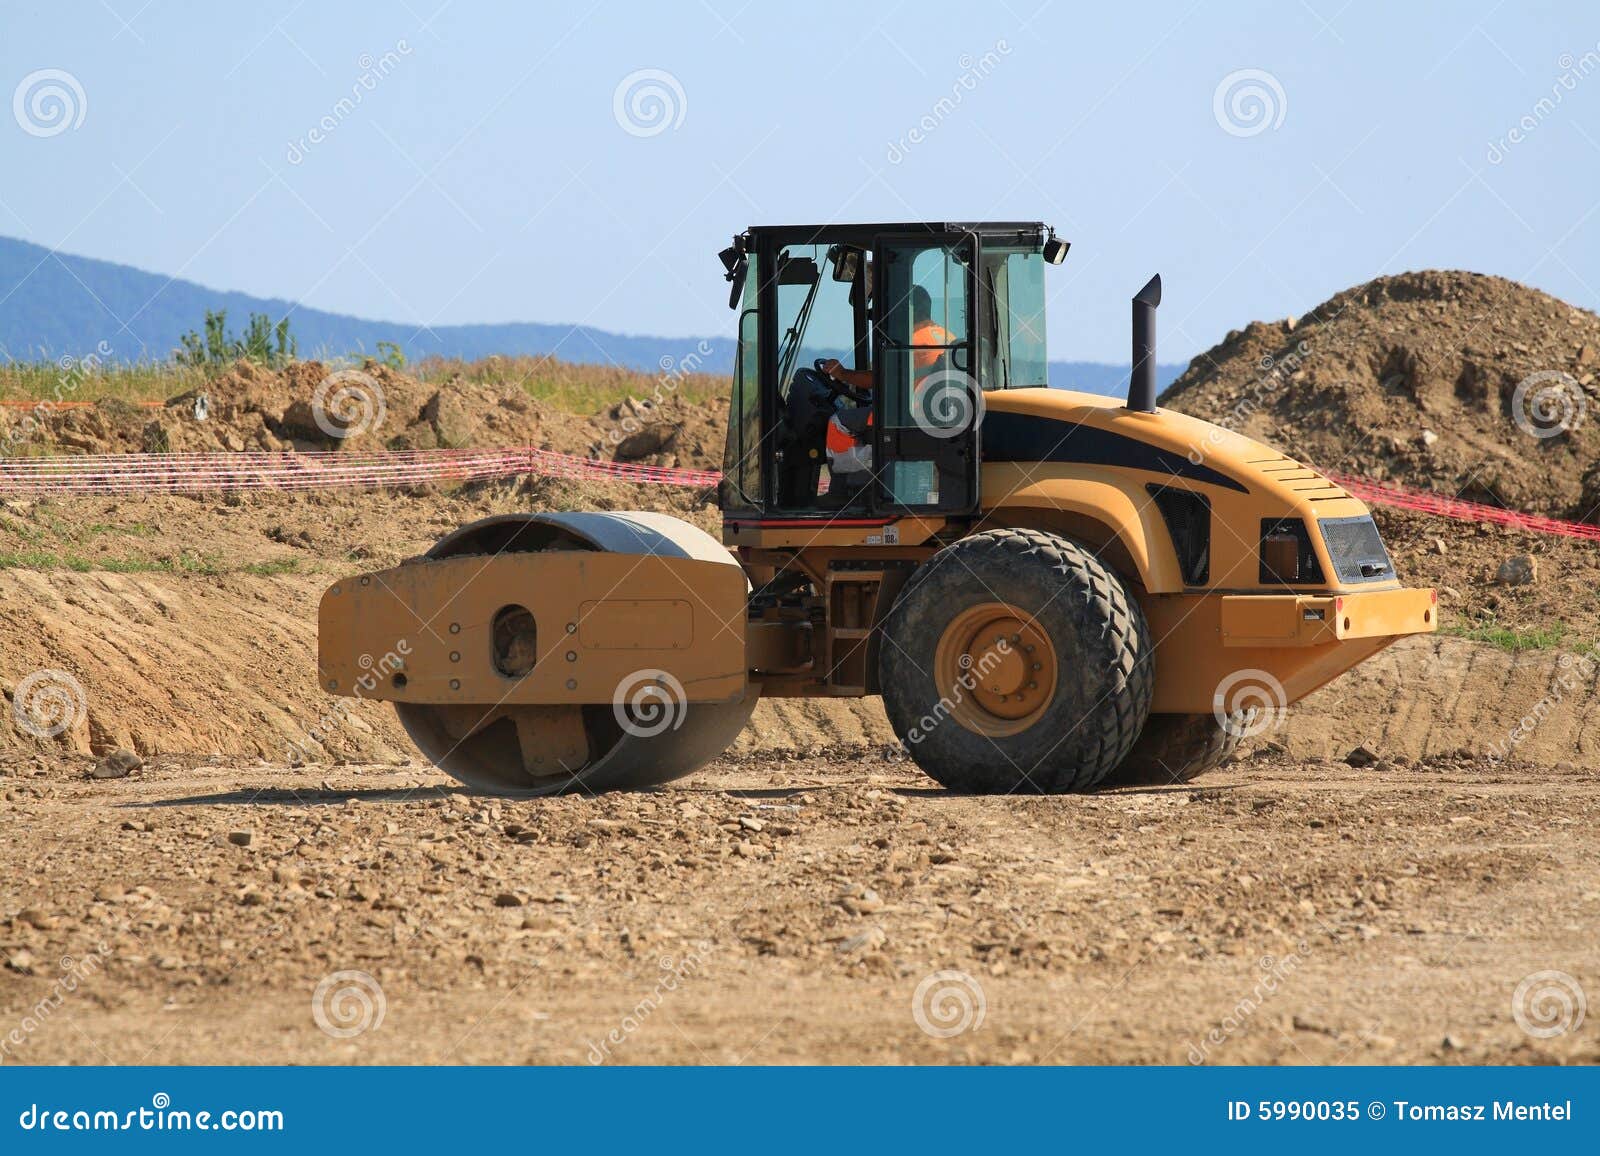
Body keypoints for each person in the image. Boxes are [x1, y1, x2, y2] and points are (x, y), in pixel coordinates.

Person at [818, 284, 951, 492]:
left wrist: (842, 374)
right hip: (931, 413)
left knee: (838, 422)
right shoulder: (943, 335)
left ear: (909, 310)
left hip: (906, 415)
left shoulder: (911, 340)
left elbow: (877, 379)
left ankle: (851, 484)